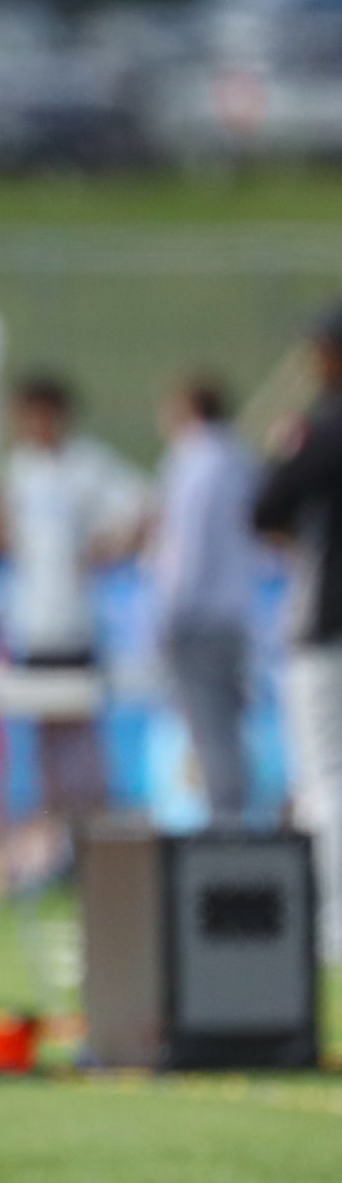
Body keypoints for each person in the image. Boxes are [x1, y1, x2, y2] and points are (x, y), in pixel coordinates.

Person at [0, 373, 145, 882]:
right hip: (33, 626)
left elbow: (141, 505)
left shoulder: (88, 465)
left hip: (76, 626)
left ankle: (89, 843)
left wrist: (107, 551)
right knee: (44, 744)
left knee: (82, 741)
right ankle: (55, 849)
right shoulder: (21, 470)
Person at [253, 304, 342, 961]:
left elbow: (265, 507)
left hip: (329, 622)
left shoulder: (324, 428)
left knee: (327, 774)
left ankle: (335, 919)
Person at [149, 373, 259, 823]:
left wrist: (170, 612)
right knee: (227, 731)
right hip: (233, 614)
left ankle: (225, 834)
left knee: (209, 731)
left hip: (198, 617)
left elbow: (186, 546)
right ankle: (236, 822)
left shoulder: (194, 463)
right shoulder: (238, 458)